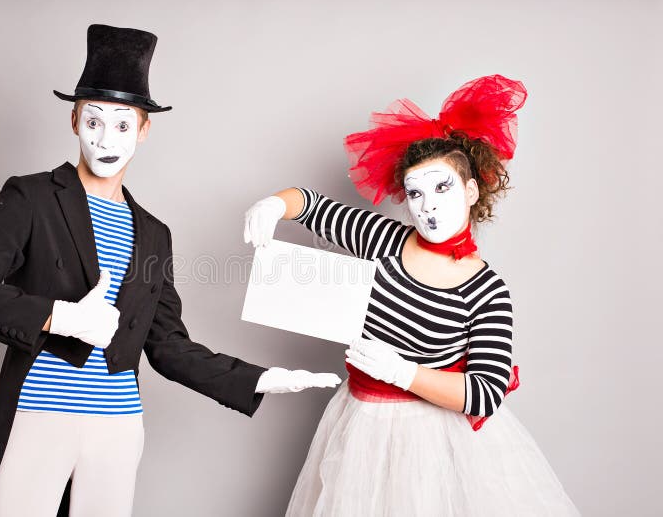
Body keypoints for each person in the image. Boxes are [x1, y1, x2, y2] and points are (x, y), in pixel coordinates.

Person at [0, 24, 340, 517]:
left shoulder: (154, 233)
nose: (107, 139)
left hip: (118, 426)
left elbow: (167, 345)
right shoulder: (33, 197)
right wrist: (59, 318)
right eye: (94, 121)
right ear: (74, 122)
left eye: (123, 124)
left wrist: (257, 378)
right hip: (40, 412)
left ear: (145, 130)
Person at [243, 75, 580, 515]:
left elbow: (485, 393)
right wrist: (271, 205)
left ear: (472, 190)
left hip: (433, 442)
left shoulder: (487, 289)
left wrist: (404, 373)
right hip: (360, 421)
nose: (428, 206)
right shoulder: (382, 237)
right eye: (416, 193)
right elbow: (307, 203)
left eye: (442, 188)